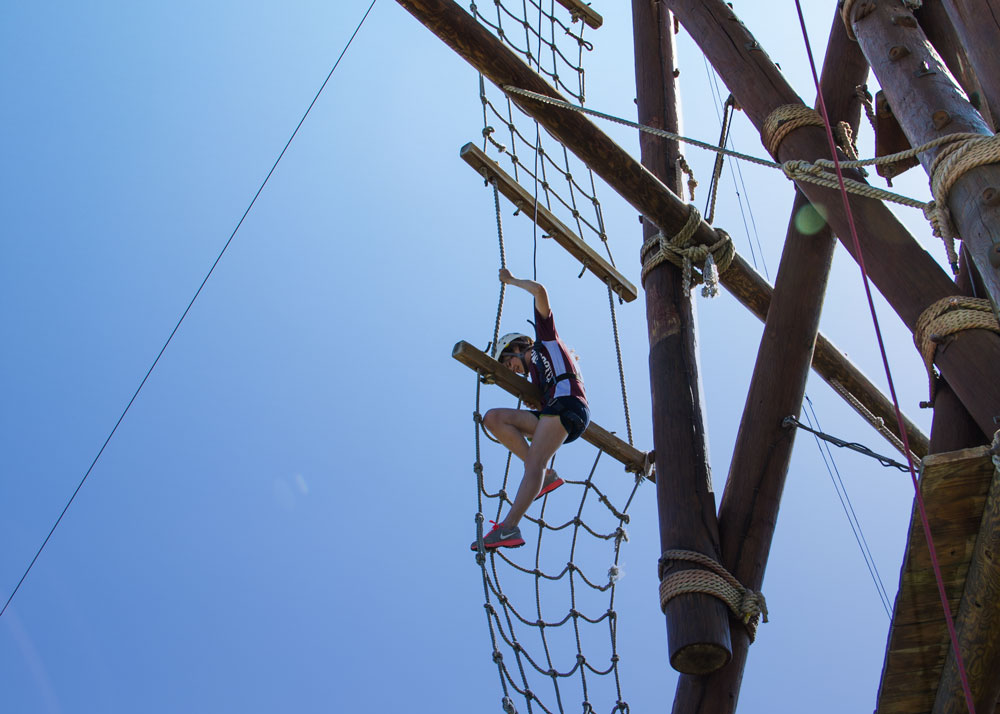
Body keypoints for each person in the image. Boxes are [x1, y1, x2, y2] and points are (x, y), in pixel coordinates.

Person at [472, 268, 591, 551]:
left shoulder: (544, 340)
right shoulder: (537, 379)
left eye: (507, 362)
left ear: (517, 346)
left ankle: (509, 527)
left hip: (569, 405)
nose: (511, 370)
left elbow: (540, 292)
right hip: (556, 410)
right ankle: (546, 475)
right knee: (494, 418)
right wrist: (537, 402)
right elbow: (536, 406)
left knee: (533, 464)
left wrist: (511, 281)